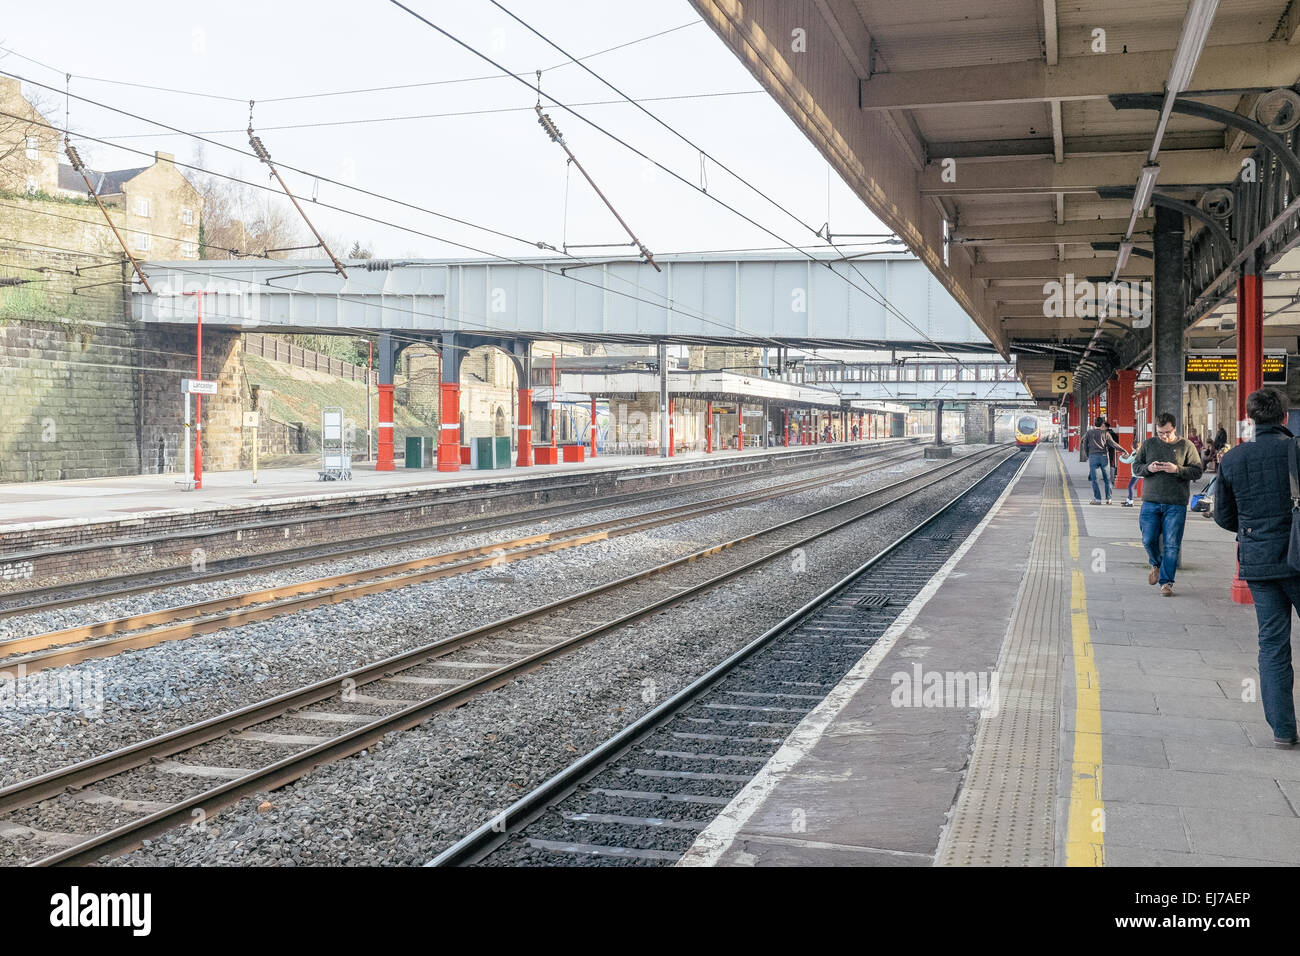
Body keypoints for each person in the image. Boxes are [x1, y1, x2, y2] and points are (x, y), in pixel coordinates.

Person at [1213, 387, 1299, 746]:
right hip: (1298, 560)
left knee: (1273, 646)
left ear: (1250, 419)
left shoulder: (1232, 460)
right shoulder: (1296, 450)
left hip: (1260, 564)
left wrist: (1255, 528)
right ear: (1285, 418)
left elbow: (1223, 517)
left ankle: (1283, 731)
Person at [1132, 412, 1204, 596]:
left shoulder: (1186, 446)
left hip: (1176, 503)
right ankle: (1156, 563)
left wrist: (1177, 469)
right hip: (1150, 501)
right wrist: (1148, 468)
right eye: (1160, 433)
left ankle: (1166, 583)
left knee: (1172, 544)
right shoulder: (1149, 444)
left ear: (1175, 428)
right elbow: (1136, 467)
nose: (1163, 436)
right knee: (1148, 539)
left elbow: (1197, 471)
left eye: (1167, 432)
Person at [1082, 415, 1124, 505]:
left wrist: (1087, 455)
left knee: (1094, 479)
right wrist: (1123, 450)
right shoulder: (1106, 433)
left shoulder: (1089, 433)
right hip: (1104, 457)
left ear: (1094, 423)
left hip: (1093, 457)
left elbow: (1084, 445)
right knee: (1107, 479)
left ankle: (1097, 499)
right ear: (1102, 424)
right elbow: (1113, 444)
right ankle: (1108, 499)